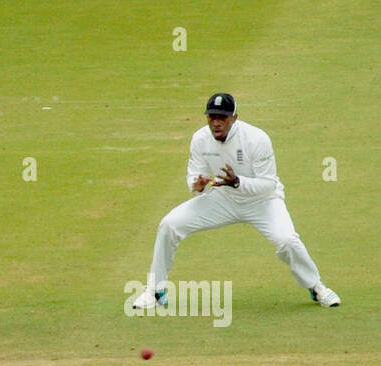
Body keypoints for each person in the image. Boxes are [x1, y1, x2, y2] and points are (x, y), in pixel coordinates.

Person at [131, 93, 340, 312]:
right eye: (212, 117)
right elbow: (195, 178)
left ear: (234, 118)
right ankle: (155, 291)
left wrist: (237, 182)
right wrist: (198, 184)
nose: (216, 122)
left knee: (287, 240)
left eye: (222, 117)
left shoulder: (257, 139)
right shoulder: (200, 139)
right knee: (169, 225)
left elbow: (268, 185)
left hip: (263, 202)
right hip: (223, 198)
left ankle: (316, 287)